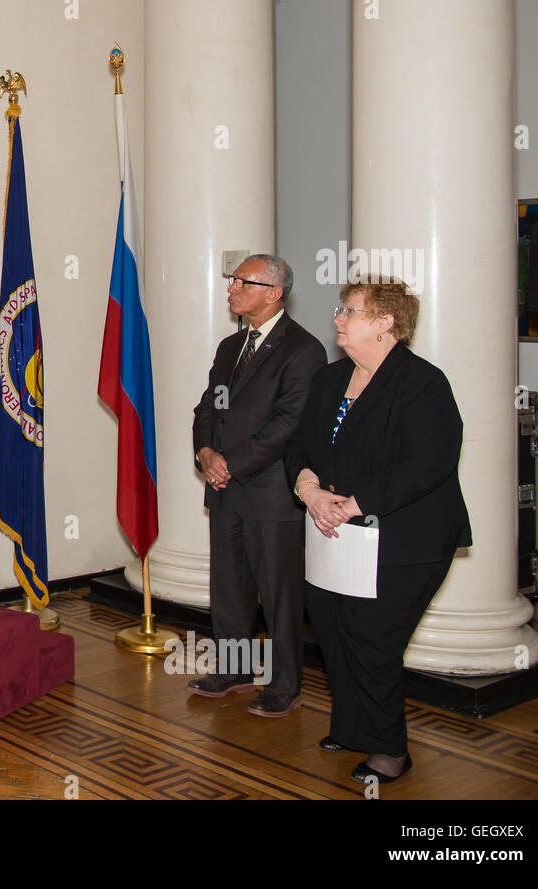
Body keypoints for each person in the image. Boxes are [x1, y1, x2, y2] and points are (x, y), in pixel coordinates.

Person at [286, 278, 470, 784]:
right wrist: (309, 489)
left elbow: (428, 464)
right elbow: (300, 446)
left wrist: (353, 504)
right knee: (333, 630)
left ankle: (389, 747)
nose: (338, 320)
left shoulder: (422, 384)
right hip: (335, 531)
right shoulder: (329, 380)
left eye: (350, 311)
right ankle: (352, 726)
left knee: (372, 638)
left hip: (407, 539)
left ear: (386, 323)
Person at [190, 254, 325, 715]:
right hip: (224, 487)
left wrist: (232, 462)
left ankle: (286, 683)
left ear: (273, 293)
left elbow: (289, 424)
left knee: (279, 592)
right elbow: (209, 406)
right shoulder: (231, 347)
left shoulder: (303, 350)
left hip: (271, 493)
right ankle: (235, 669)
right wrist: (206, 453)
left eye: (240, 281)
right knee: (229, 586)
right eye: (231, 280)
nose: (230, 288)